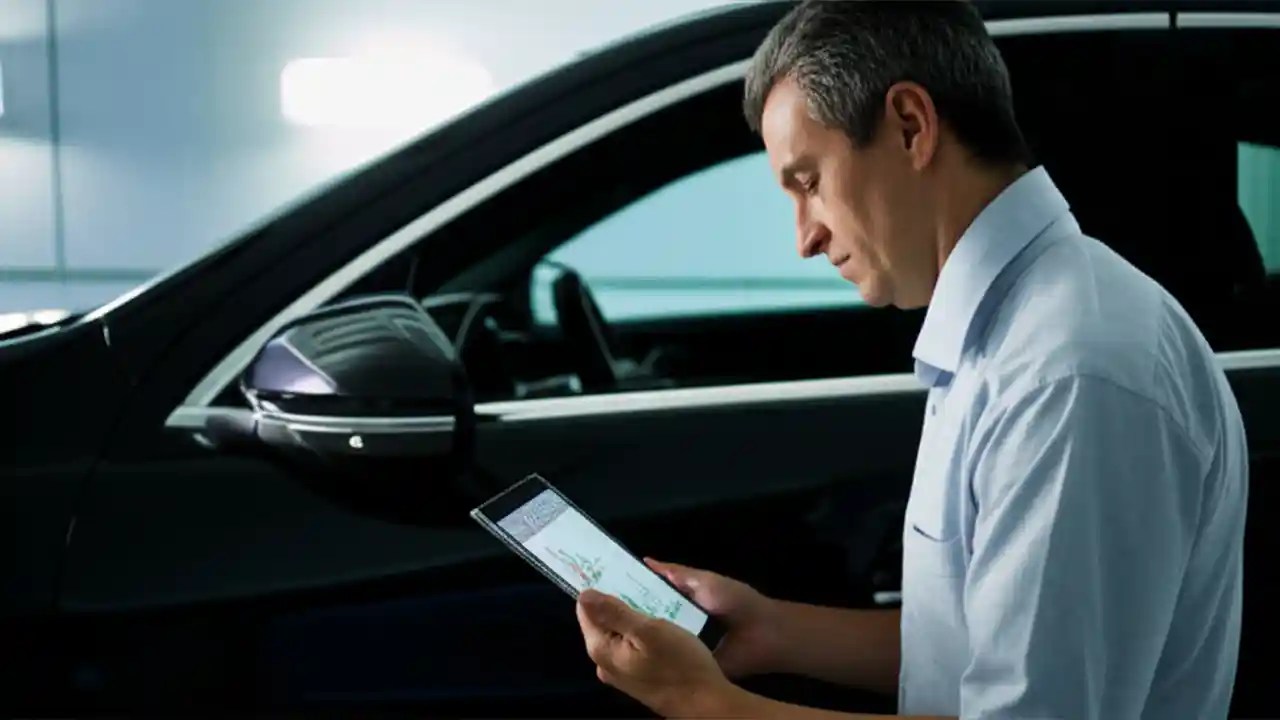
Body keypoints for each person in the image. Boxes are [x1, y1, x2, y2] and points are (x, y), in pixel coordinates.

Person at [573, 1, 1249, 718]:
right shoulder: (1017, 331)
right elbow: (982, 646)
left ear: (909, 126)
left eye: (809, 183)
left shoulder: (1068, 372)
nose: (804, 237)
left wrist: (705, 703)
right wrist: (775, 631)